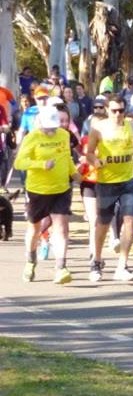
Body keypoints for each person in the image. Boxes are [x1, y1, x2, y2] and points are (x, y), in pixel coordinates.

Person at [85, 95, 133, 282]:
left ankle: (122, 265)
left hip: (128, 181)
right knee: (103, 223)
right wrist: (96, 161)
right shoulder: (98, 128)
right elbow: (89, 153)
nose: (118, 114)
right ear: (107, 110)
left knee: (130, 221)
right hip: (107, 182)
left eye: (121, 111)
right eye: (114, 110)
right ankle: (97, 261)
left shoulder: (130, 125)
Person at [13, 106, 75, 284]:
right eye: (48, 127)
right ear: (39, 123)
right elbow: (19, 163)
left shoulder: (64, 135)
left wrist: (76, 175)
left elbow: (67, 158)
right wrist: (41, 164)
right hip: (37, 191)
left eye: (54, 127)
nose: (51, 131)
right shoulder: (32, 137)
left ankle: (61, 267)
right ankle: (31, 261)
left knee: (61, 227)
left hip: (61, 188)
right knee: (34, 229)